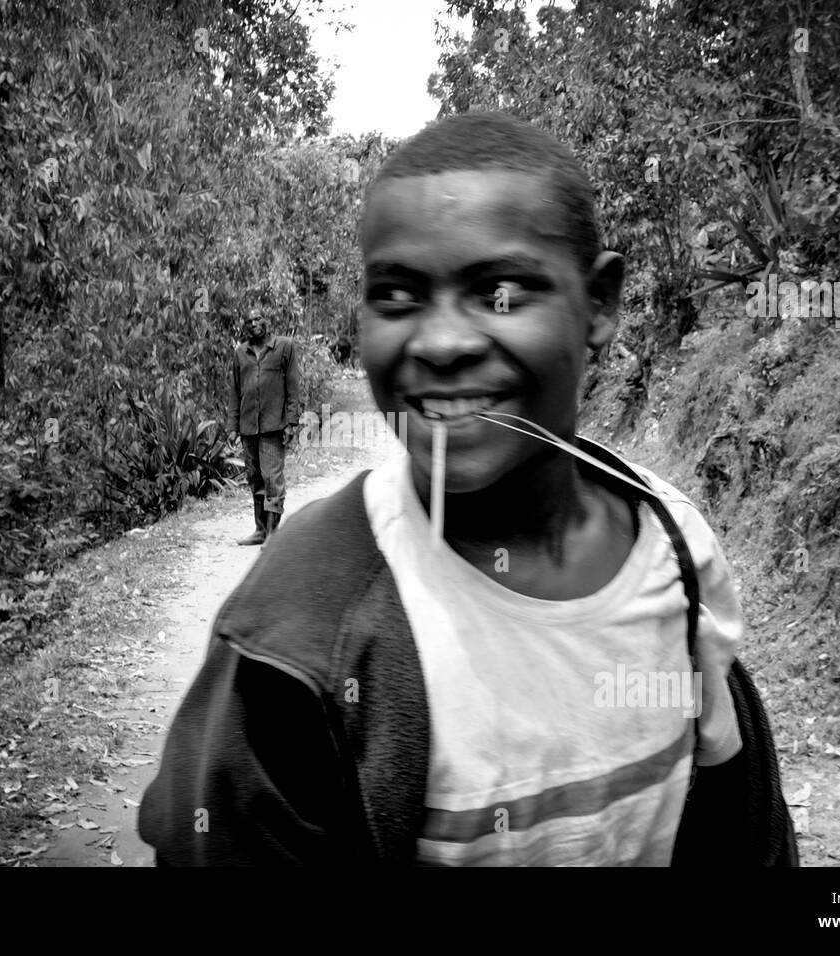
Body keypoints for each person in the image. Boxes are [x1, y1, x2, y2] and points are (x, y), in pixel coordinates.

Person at [139, 112, 795, 865]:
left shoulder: (674, 549)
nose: (441, 342)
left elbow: (737, 826)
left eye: (500, 292)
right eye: (398, 295)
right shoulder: (300, 629)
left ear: (600, 304)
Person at [226, 308, 299, 546]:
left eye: (258, 318)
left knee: (272, 478)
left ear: (267, 320)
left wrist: (292, 421)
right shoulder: (240, 353)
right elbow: (235, 392)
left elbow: (292, 386)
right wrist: (232, 426)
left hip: (272, 425)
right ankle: (260, 530)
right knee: (254, 478)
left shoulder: (284, 347)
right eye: (249, 320)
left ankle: (272, 533)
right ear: (245, 326)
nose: (254, 323)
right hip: (248, 426)